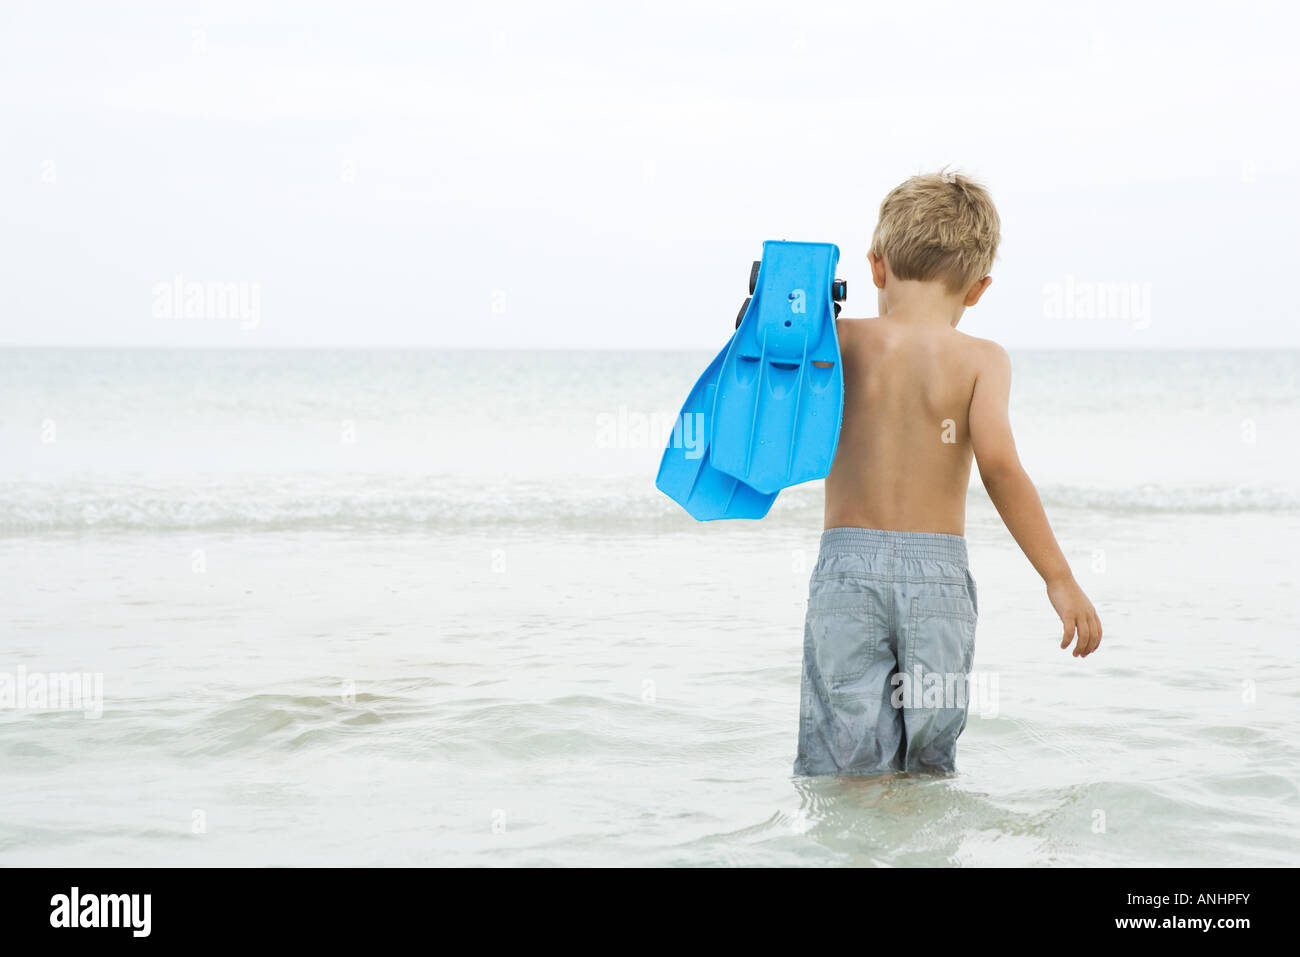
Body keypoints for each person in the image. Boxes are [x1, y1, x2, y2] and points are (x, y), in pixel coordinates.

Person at [795, 171, 1102, 777]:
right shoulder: (982, 359)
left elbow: (769, 413)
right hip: (938, 581)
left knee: (847, 756)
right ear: (979, 290)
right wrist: (1059, 578)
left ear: (876, 268)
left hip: (846, 573)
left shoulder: (836, 340)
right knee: (929, 761)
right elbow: (1001, 468)